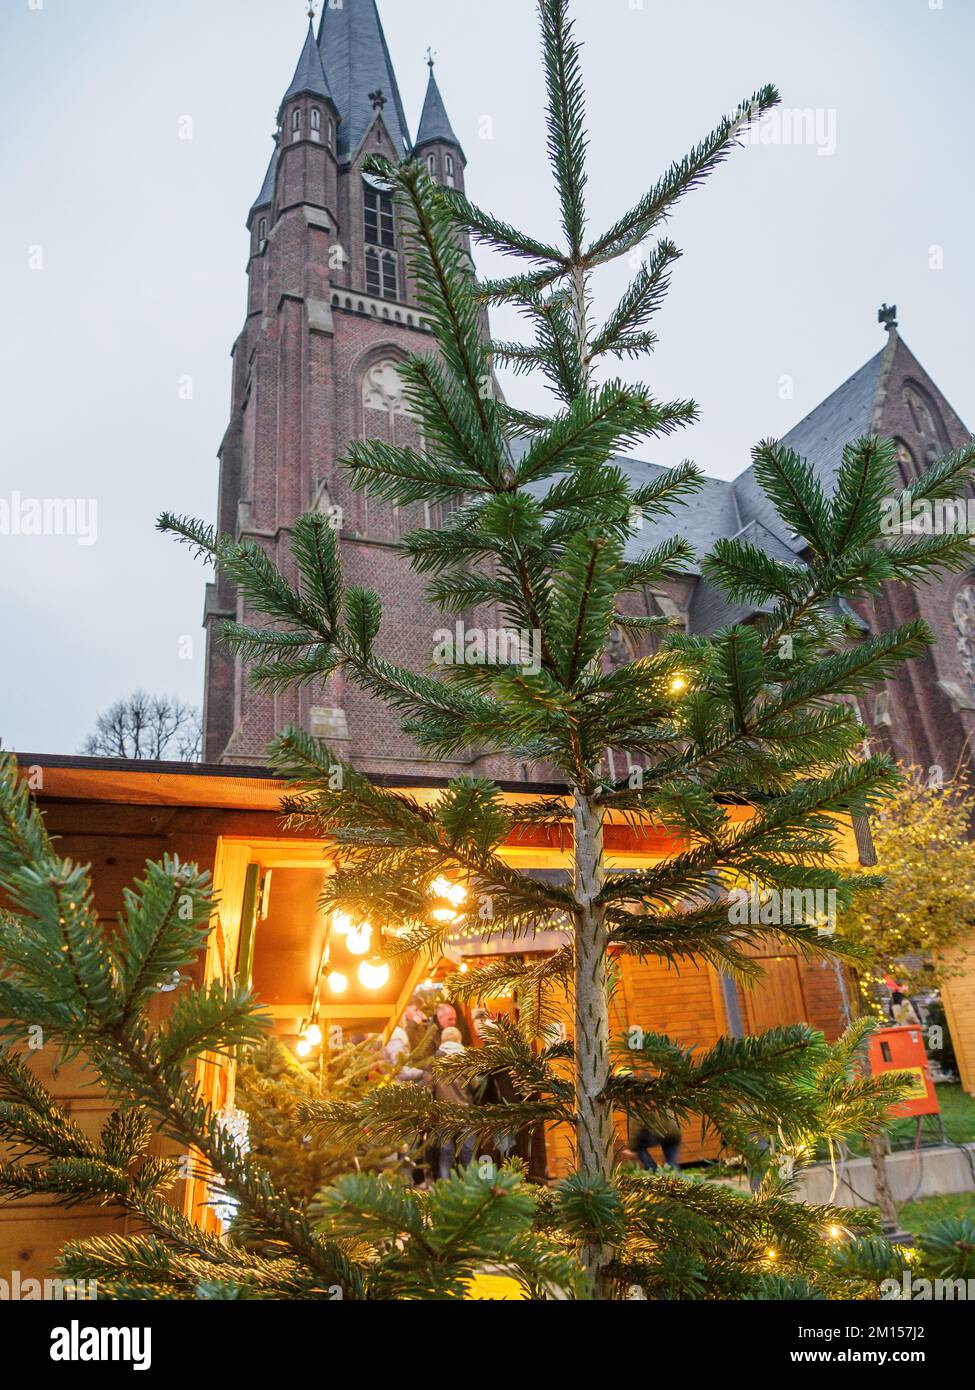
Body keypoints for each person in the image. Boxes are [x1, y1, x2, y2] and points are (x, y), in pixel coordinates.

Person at [432, 1026, 475, 1177]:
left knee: (445, 1152)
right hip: (465, 1111)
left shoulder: (435, 1059)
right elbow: (474, 1084)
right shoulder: (465, 1059)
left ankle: (445, 1188)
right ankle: (469, 1186)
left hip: (443, 1114)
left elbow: (429, 1086)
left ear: (442, 1040)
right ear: (459, 1040)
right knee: (468, 1152)